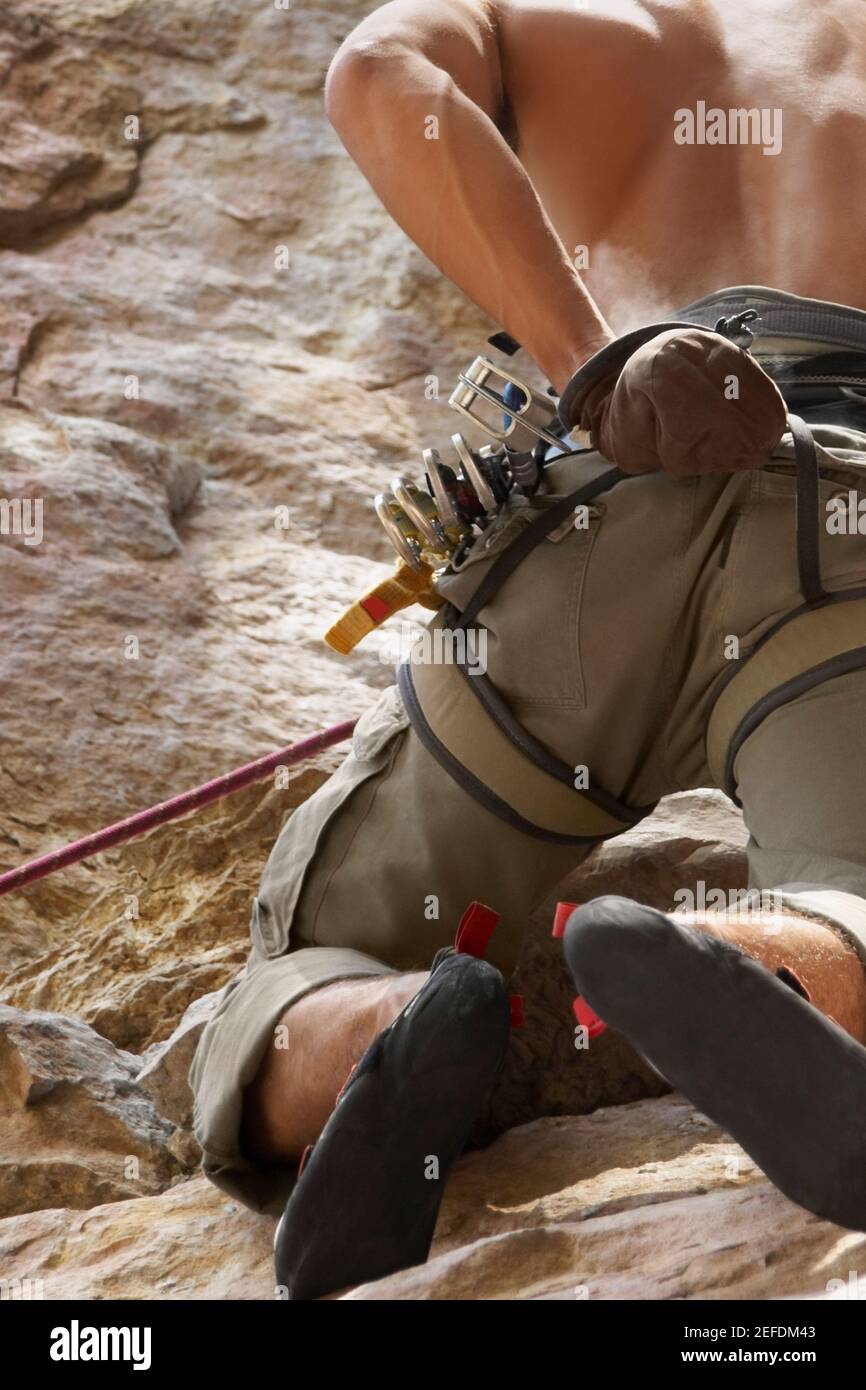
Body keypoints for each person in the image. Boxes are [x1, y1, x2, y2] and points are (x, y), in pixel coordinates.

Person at [189, 0, 866, 1299]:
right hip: (842, 528)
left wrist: (592, 364)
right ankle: (778, 966)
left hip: (585, 519)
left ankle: (381, 1024)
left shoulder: (553, 20)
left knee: (327, 940)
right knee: (858, 879)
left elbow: (379, 72)